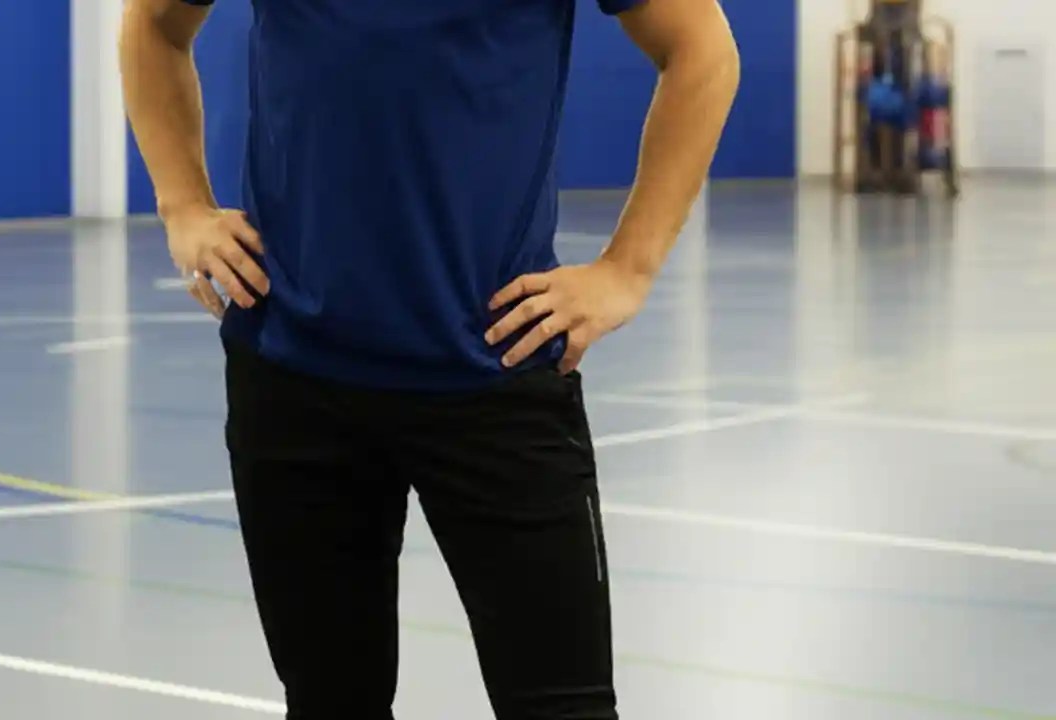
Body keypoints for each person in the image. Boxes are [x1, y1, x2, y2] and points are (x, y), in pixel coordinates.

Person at [120, 0, 738, 716]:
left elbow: (702, 50)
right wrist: (183, 206)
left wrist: (628, 267)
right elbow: (153, 24)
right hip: (295, 383)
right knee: (328, 701)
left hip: (494, 371)